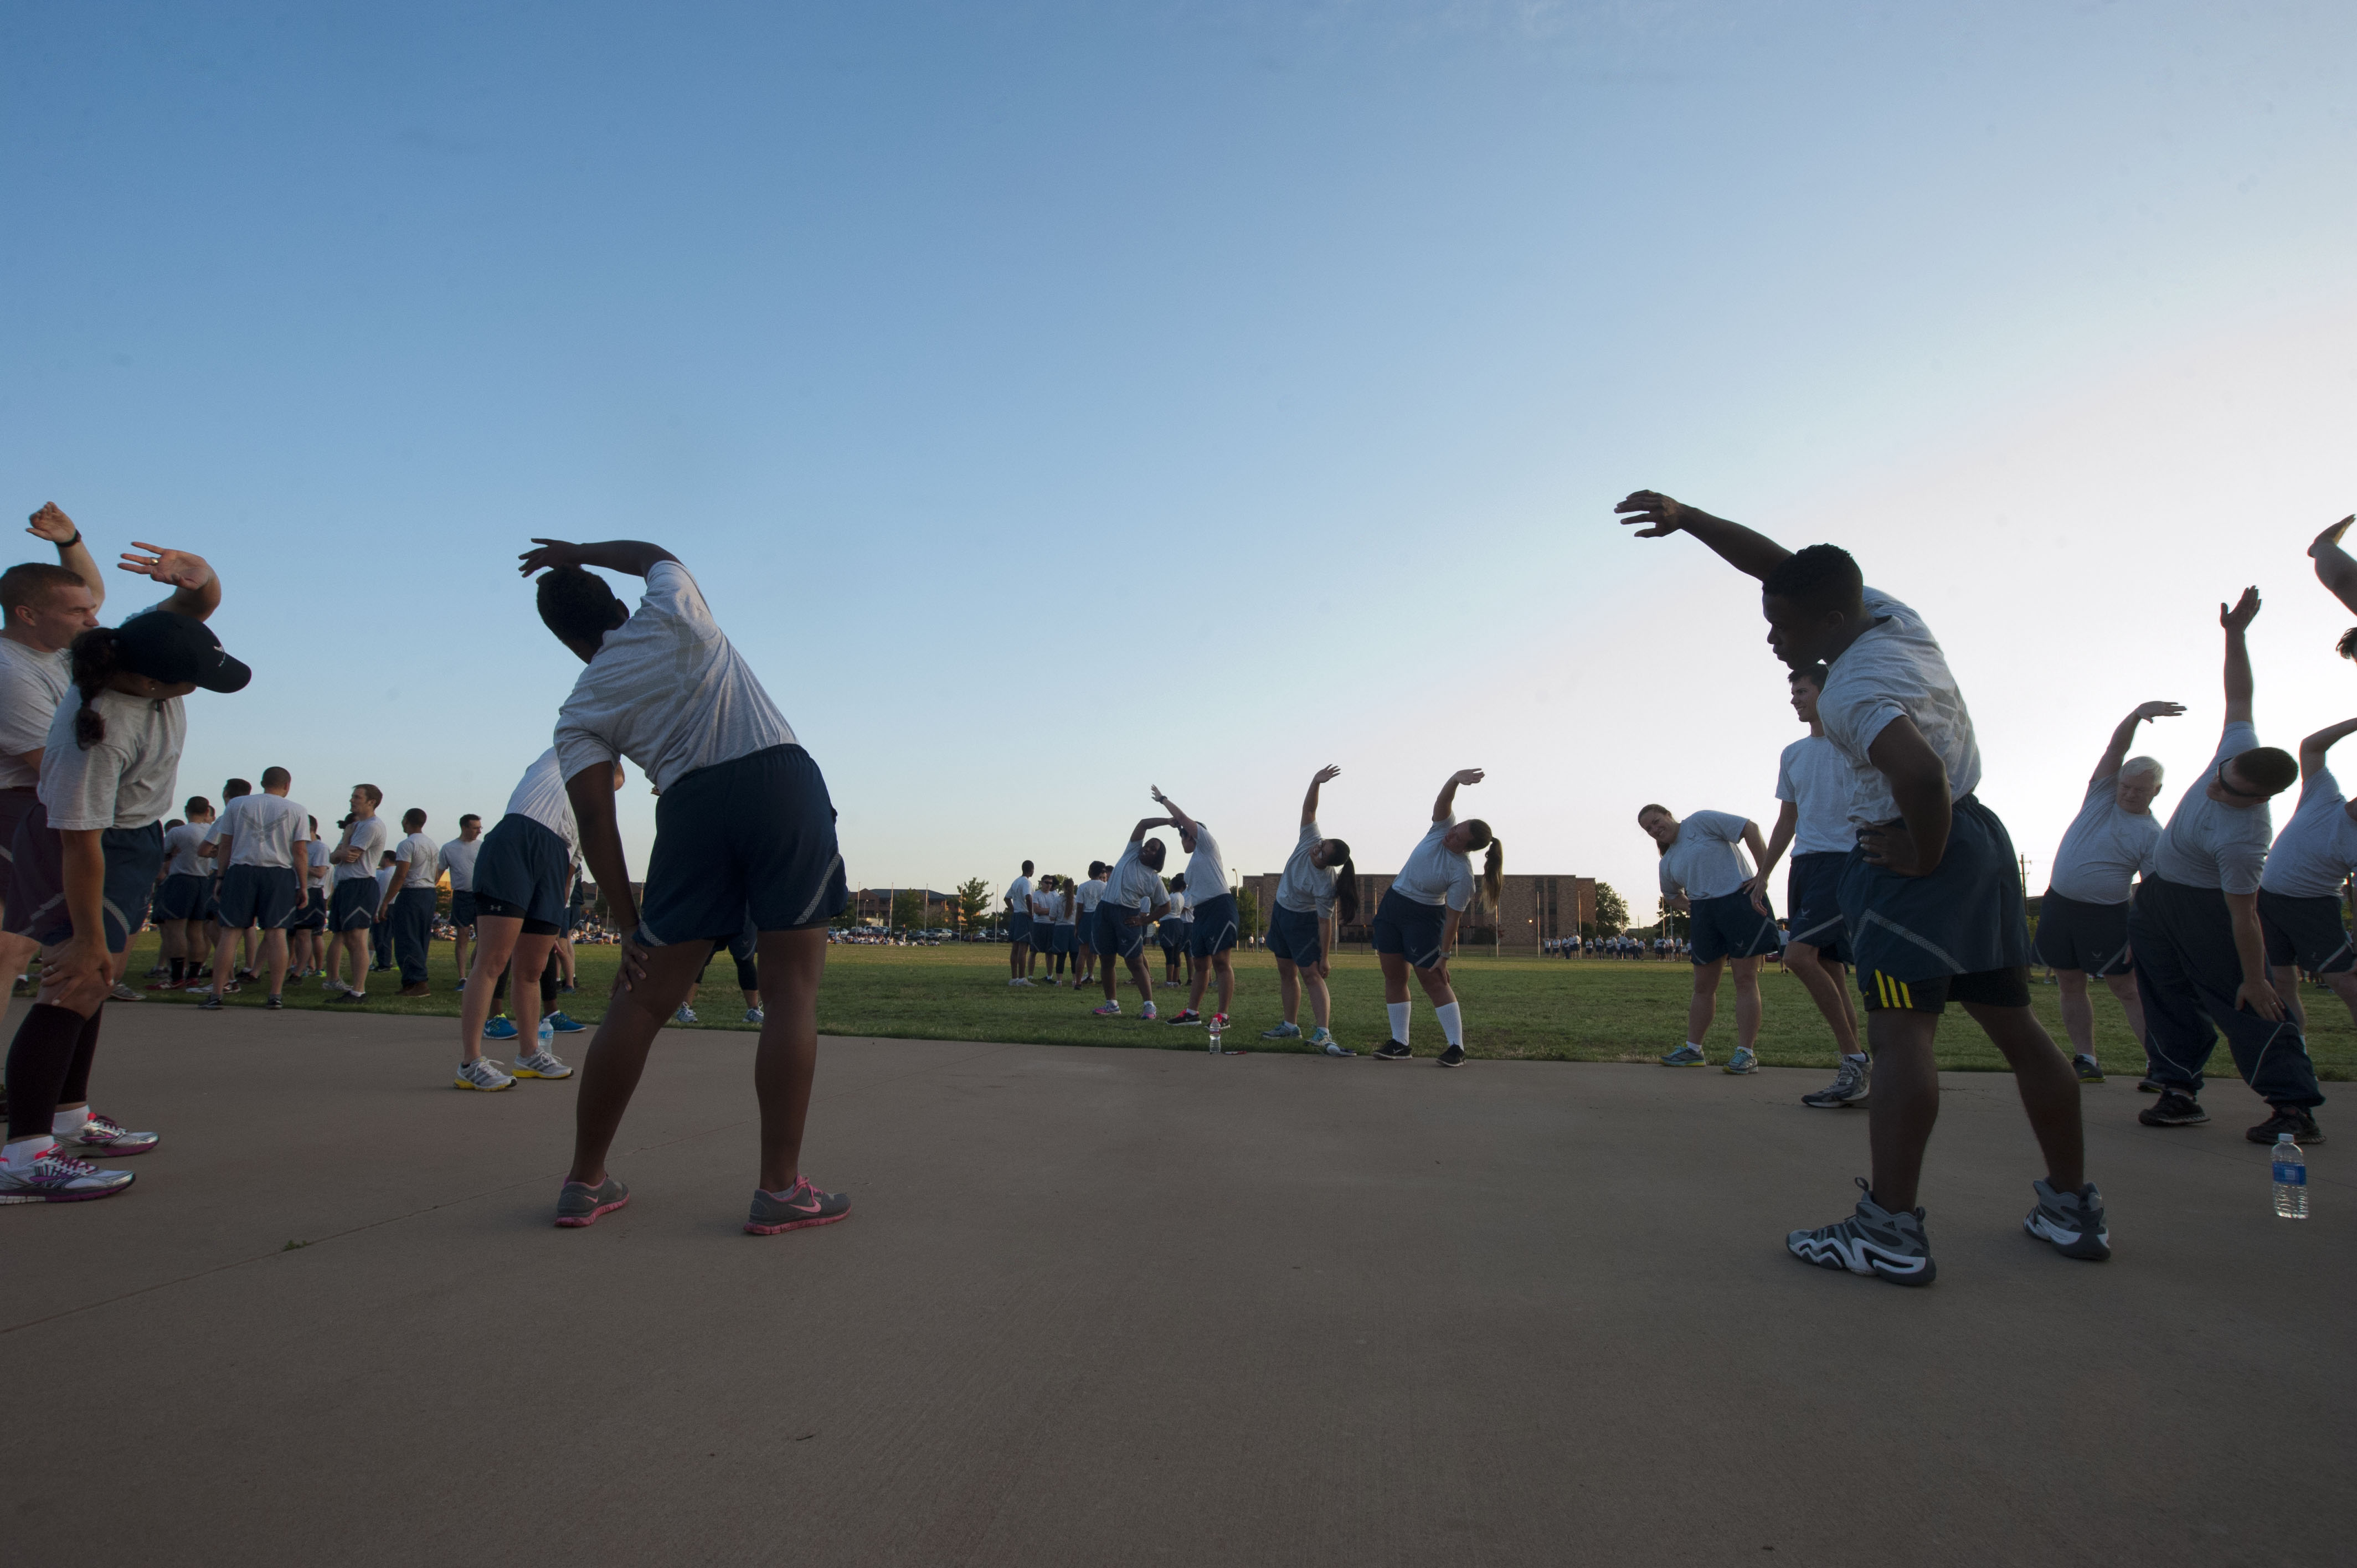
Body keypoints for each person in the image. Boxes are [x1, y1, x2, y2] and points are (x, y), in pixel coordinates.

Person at [1618, 489, 2104, 1283]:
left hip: (1913, 850)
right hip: (1980, 841)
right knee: (2017, 1030)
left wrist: (1919, 854)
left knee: (1902, 1036)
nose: (1772, 638)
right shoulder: (1891, 619)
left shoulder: (1848, 690)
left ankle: (1887, 1232)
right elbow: (1786, 569)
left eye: (1783, 628)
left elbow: (1917, 772)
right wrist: (1692, 521)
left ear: (1831, 626)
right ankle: (2071, 1206)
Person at [523, 538, 851, 1235]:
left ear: (567, 642)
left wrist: (625, 922)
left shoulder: (579, 707)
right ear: (614, 603)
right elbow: (654, 553)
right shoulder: (669, 609)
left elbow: (596, 822)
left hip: (689, 810)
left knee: (640, 1003)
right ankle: (779, 1189)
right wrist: (578, 551)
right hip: (778, 783)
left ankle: (584, 1181)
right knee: (790, 990)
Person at [0, 541, 239, 1204]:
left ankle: (71, 1114)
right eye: (196, 680)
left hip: (131, 838)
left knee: (99, 980)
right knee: (74, 980)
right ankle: (23, 1153)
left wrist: (199, 579)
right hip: (78, 844)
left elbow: (188, 611)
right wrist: (82, 936)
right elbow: (79, 843)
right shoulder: (99, 731)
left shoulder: (138, 655)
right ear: (157, 684)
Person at [2130, 589, 2324, 1143]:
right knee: (2162, 993)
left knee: (2241, 999)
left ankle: (2292, 1106)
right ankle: (2177, 1091)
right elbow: (2239, 695)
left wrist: (2255, 976)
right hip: (2156, 897)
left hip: (2205, 909)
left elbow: (2244, 918)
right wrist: (2234, 634)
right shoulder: (2234, 751)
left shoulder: (2244, 840)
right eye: (2220, 775)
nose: (2213, 785)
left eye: (2227, 789)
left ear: (2255, 799)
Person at [0, 505, 111, 1016]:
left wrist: (70, 540)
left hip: (42, 801)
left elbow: (88, 593)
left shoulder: (61, 640)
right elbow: (52, 762)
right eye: (77, 614)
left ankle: (47, 1074)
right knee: (11, 947)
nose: (92, 619)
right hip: (17, 803)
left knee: (36, 944)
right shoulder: (9, 674)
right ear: (27, 615)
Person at [2034, 702, 2180, 1082]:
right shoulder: (2101, 796)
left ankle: (2160, 1065)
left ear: (2156, 791)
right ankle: (2086, 1059)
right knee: (2069, 981)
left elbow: (2154, 894)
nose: (2130, 795)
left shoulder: (2152, 836)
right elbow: (2115, 751)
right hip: (2059, 905)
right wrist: (2135, 716)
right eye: (2126, 786)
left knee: (2126, 988)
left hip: (2105, 917)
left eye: (2140, 790)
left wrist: (2140, 933)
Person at [454, 749, 615, 1090]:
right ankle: (470, 1063)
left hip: (557, 858)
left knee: (533, 968)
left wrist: (561, 890)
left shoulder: (589, 806)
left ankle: (529, 1054)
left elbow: (615, 781)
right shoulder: (564, 753)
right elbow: (613, 768)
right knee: (493, 960)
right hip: (519, 838)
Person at [1748, 664, 1868, 1105]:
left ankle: (1855, 1059)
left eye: (1802, 690)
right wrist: (1764, 876)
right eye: (1793, 692)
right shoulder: (1793, 754)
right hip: (1806, 864)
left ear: (1827, 691)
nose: (1795, 698)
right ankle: (1857, 1068)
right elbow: (1787, 820)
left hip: (1845, 863)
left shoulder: (1855, 743)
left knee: (1798, 957)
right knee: (1831, 969)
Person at [1368, 769, 1502, 1067]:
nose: (1451, 834)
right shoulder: (1441, 830)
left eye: (1458, 837)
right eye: (1456, 828)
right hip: (1393, 906)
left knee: (1433, 981)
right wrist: (1456, 778)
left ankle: (1457, 1047)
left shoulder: (1462, 875)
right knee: (1394, 976)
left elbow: (1452, 919)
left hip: (1424, 917)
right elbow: (1444, 802)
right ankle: (1400, 1043)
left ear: (1466, 849)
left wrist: (1444, 956)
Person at [1642, 803, 1781, 1073]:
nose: (1655, 829)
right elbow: (1671, 895)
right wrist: (1691, 907)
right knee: (1703, 986)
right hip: (1705, 913)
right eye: (1648, 829)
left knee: (1744, 979)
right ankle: (1693, 1050)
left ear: (1669, 816)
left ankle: (1746, 1053)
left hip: (1739, 901)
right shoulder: (1668, 861)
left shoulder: (1701, 822)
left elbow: (1749, 829)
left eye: (1657, 822)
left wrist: (1762, 875)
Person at [2258, 718, 2357, 1036]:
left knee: (2346, 983)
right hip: (2268, 901)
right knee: (2281, 981)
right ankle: (2296, 1055)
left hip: (2313, 910)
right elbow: (2312, 747)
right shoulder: (2325, 795)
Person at [1260, 765, 1358, 1055]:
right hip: (1281, 912)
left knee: (1312, 974)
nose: (1317, 849)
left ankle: (1323, 1032)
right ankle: (1290, 1025)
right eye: (1321, 845)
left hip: (1303, 923)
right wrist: (1316, 782)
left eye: (1323, 853)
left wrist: (1325, 957)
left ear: (1329, 863)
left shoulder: (1325, 883)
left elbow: (1324, 922)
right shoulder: (1310, 840)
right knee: (1284, 971)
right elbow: (1309, 809)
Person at [197, 766, 307, 1012]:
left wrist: (220, 878)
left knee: (230, 933)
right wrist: (302, 885)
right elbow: (300, 851)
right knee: (276, 933)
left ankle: (217, 994)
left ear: (262, 782)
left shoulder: (236, 805)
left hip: (241, 870)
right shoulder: (297, 810)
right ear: (287, 786)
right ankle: (275, 995)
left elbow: (226, 845)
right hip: (278, 873)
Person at [1151, 786, 1237, 1031]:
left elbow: (1183, 819)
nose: (1182, 840)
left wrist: (1163, 800)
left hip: (1220, 907)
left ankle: (1223, 1015)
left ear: (1194, 835)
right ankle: (1192, 1013)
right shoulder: (1192, 864)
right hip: (1202, 913)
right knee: (1201, 965)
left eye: (1184, 835)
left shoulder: (1208, 844)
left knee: (1221, 962)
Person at [1089, 817, 1173, 1018]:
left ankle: (1149, 1006)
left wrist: (1144, 921)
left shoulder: (1153, 878)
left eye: (1153, 849)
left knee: (1135, 963)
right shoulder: (1130, 854)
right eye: (1147, 845)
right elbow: (1143, 824)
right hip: (1105, 910)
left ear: (1158, 856)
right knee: (1106, 960)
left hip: (1128, 915)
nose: (1147, 848)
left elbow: (1166, 906)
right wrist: (1168, 821)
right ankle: (1112, 1005)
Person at [322, 786, 389, 1003]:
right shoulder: (356, 827)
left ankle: (359, 991)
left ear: (372, 802)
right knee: (348, 939)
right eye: (352, 796)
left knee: (357, 938)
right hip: (346, 885)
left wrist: (345, 842)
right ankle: (354, 988)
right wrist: (344, 843)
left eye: (357, 797)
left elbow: (349, 856)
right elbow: (333, 858)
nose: (352, 800)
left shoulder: (372, 826)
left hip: (360, 885)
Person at [377, 808, 440, 997]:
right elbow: (436, 872)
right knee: (421, 938)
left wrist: (386, 901)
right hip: (428, 893)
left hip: (412, 893)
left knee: (407, 938)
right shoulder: (432, 844)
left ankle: (417, 981)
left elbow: (401, 874)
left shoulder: (407, 844)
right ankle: (414, 980)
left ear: (406, 821)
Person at [151, 796, 214, 987]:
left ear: (187, 810)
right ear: (206, 812)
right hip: (204, 880)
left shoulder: (178, 832)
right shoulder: (212, 832)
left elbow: (163, 854)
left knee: (176, 929)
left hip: (181, 879)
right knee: (197, 931)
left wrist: (171, 855)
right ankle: (194, 974)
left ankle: (177, 976)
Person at [441, 813, 484, 991]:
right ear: (464, 827)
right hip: (461, 896)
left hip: (481, 896)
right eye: (475, 828)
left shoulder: (483, 846)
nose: (479, 831)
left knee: (483, 938)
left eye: (480, 828)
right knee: (463, 936)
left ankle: (477, 972)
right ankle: (462, 978)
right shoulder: (449, 848)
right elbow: (440, 872)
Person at [1072, 863, 1107, 989]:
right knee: (1103, 953)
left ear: (1091, 871)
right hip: (1100, 918)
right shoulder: (1105, 886)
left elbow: (1080, 908)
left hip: (1087, 917)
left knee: (1083, 952)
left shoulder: (1083, 887)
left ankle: (1078, 982)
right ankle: (1105, 980)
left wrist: (1077, 926)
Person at [1006, 859, 1035, 987]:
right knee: (1023, 949)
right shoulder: (1026, 882)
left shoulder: (1016, 881)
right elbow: (1028, 897)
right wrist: (1031, 912)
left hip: (1017, 916)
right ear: (1032, 870)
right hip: (1024, 916)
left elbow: (1007, 898)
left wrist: (1014, 910)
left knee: (1015, 948)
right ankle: (1022, 978)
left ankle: (1014, 978)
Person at [1159, 874, 1189, 985]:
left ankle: (1169, 981)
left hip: (1169, 924)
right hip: (1178, 923)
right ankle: (1175, 981)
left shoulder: (1171, 897)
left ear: (1173, 885)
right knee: (1176, 953)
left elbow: (1161, 907)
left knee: (1169, 953)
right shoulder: (1181, 897)